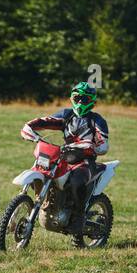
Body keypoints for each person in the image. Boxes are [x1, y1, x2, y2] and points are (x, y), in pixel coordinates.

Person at [20, 82, 109, 233]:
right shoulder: (67, 115)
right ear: (72, 98)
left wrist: (92, 145)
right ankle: (47, 202)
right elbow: (46, 121)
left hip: (85, 161)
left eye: (85, 99)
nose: (80, 102)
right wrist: (30, 126)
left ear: (92, 102)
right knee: (42, 170)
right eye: (77, 98)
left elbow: (103, 145)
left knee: (76, 181)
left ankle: (79, 216)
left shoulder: (97, 120)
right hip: (64, 158)